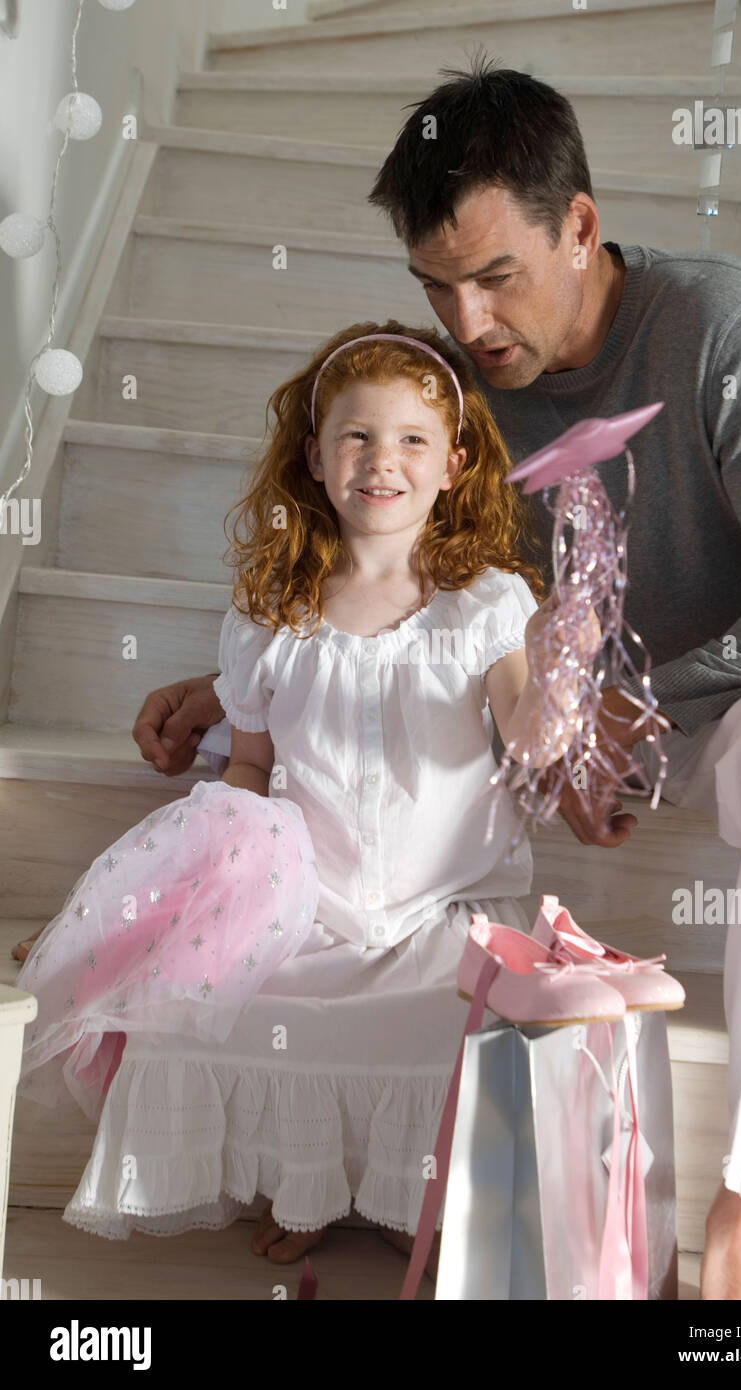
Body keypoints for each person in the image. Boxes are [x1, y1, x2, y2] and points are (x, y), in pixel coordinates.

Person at [17, 59, 741, 1298]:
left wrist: (635, 708)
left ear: (577, 226)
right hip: (530, 729)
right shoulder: (460, 396)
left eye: (493, 278)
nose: (465, 326)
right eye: (433, 285)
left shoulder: (724, 331)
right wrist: (236, 673)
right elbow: (415, 593)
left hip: (721, 708)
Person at [14, 320, 577, 1274]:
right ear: (314, 458)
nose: (380, 460)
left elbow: (529, 737)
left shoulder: (482, 602)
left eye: (410, 440)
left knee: (451, 1022)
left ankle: (409, 1200)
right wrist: (156, 908)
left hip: (440, 904)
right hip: (310, 899)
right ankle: (311, 1188)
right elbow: (248, 773)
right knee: (240, 1006)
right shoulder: (275, 607)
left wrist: (564, 671)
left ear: (454, 462)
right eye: (355, 436)